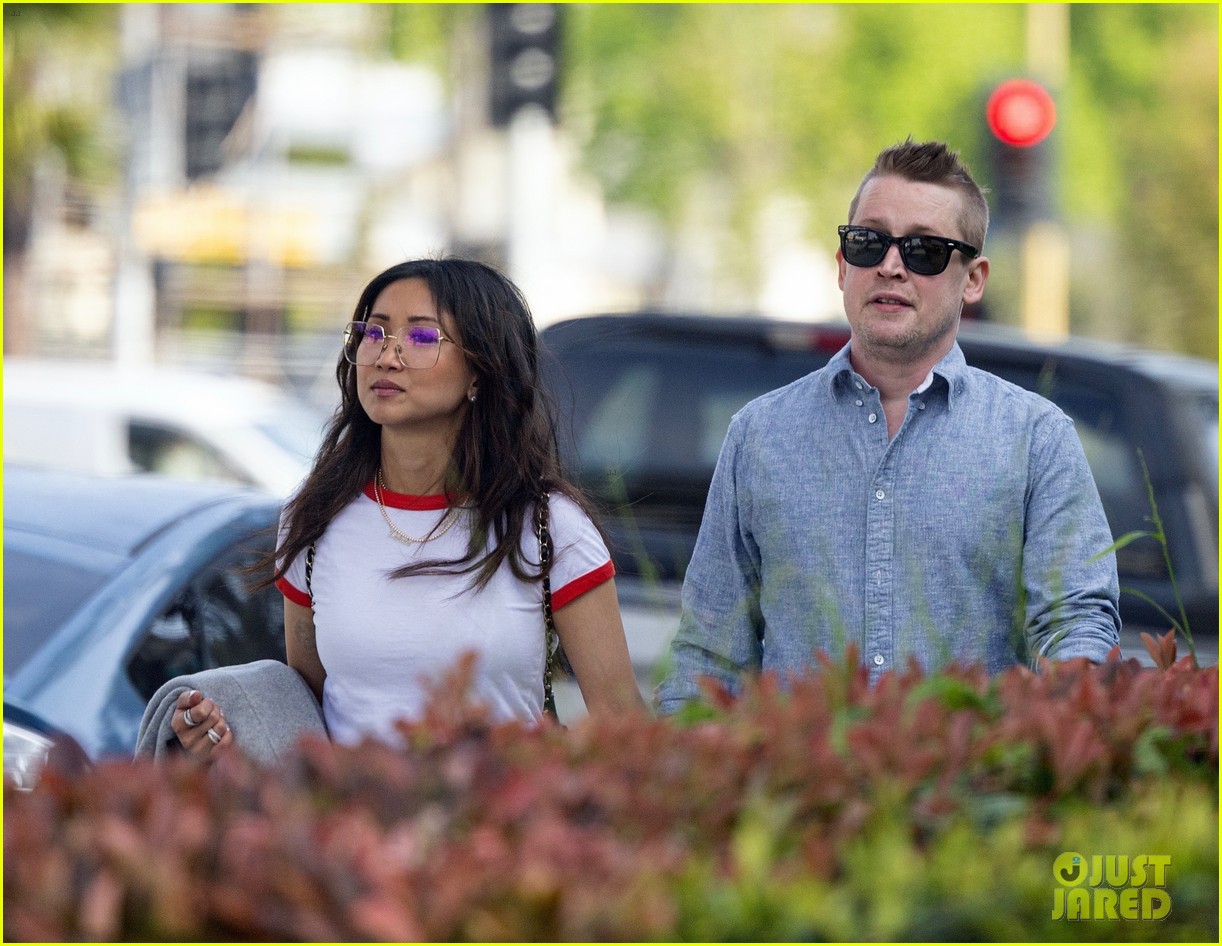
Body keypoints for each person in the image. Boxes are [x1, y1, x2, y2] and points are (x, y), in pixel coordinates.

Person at [656, 139, 1121, 714]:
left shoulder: (1036, 439)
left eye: (924, 249)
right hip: (800, 794)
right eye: (868, 242)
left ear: (973, 279)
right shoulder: (759, 436)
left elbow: (1077, 631)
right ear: (841, 264)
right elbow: (709, 657)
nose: (891, 265)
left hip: (971, 791)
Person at [173, 257, 645, 757]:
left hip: (500, 824)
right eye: (373, 334)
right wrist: (220, 743)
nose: (388, 356)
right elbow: (303, 718)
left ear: (479, 373)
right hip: (351, 826)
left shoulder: (546, 526)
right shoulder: (315, 515)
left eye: (422, 339)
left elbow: (624, 726)